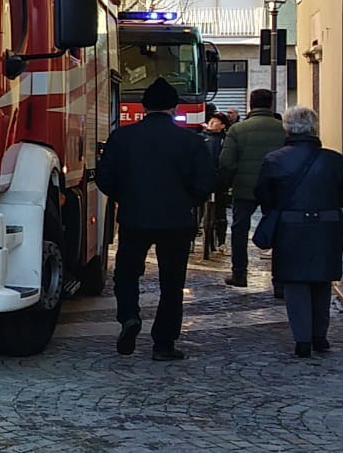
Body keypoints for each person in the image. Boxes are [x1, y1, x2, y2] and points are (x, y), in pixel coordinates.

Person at [96, 77, 217, 360]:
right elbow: (206, 181)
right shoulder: (190, 140)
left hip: (134, 217)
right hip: (176, 221)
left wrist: (124, 197)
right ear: (174, 107)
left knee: (127, 273)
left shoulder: (122, 138)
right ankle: (164, 343)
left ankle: (129, 316)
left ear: (144, 106)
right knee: (172, 283)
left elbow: (105, 177)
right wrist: (187, 200)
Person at [254, 106, 343, 357]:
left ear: (288, 128)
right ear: (314, 128)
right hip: (328, 225)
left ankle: (302, 339)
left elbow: (263, 195)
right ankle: (319, 336)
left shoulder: (275, 159)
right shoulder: (334, 159)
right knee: (321, 279)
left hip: (291, 226)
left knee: (295, 281)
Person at [218, 89, 287, 292]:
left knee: (239, 230)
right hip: (276, 188)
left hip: (244, 187)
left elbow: (226, 163)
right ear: (271, 104)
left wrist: (229, 183)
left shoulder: (237, 130)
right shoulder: (283, 129)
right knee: (280, 231)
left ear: (250, 104)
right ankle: (280, 281)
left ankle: (239, 273)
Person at [201, 113, 231, 251]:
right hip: (202, 178)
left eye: (216, 121)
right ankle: (191, 238)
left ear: (223, 125)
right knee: (197, 208)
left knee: (220, 211)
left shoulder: (227, 140)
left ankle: (221, 240)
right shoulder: (201, 138)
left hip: (220, 180)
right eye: (211, 121)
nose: (212, 123)